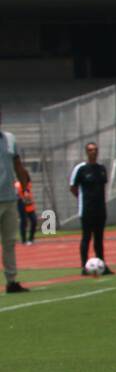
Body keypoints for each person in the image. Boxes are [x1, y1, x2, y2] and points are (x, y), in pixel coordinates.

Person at [0, 109, 32, 292]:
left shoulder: (10, 138)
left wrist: (26, 189)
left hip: (9, 198)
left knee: (10, 241)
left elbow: (18, 165)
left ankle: (11, 281)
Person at [70, 142, 113, 274]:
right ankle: (84, 266)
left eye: (95, 150)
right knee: (86, 238)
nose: (93, 152)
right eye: (90, 150)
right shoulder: (81, 169)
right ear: (86, 152)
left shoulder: (101, 169)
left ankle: (102, 264)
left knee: (99, 239)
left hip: (100, 209)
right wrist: (83, 199)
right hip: (87, 209)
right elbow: (73, 187)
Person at [15, 175, 37, 244]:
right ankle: (24, 239)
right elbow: (17, 194)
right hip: (22, 204)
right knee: (23, 221)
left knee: (34, 220)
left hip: (29, 205)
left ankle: (31, 238)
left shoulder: (28, 184)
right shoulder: (17, 184)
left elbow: (29, 193)